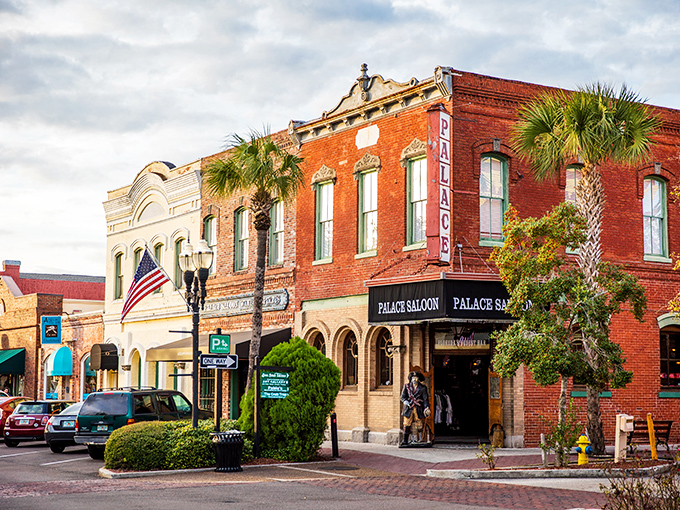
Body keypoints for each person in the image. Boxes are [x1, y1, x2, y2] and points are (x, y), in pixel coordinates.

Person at [400, 371, 430, 446]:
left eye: (416, 378)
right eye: (413, 378)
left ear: (418, 379)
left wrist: (426, 407)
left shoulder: (423, 388)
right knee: (407, 424)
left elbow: (425, 399)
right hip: (408, 408)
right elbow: (403, 397)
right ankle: (405, 440)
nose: (414, 379)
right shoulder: (406, 386)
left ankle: (421, 439)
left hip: (418, 408)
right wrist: (405, 402)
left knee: (419, 424)